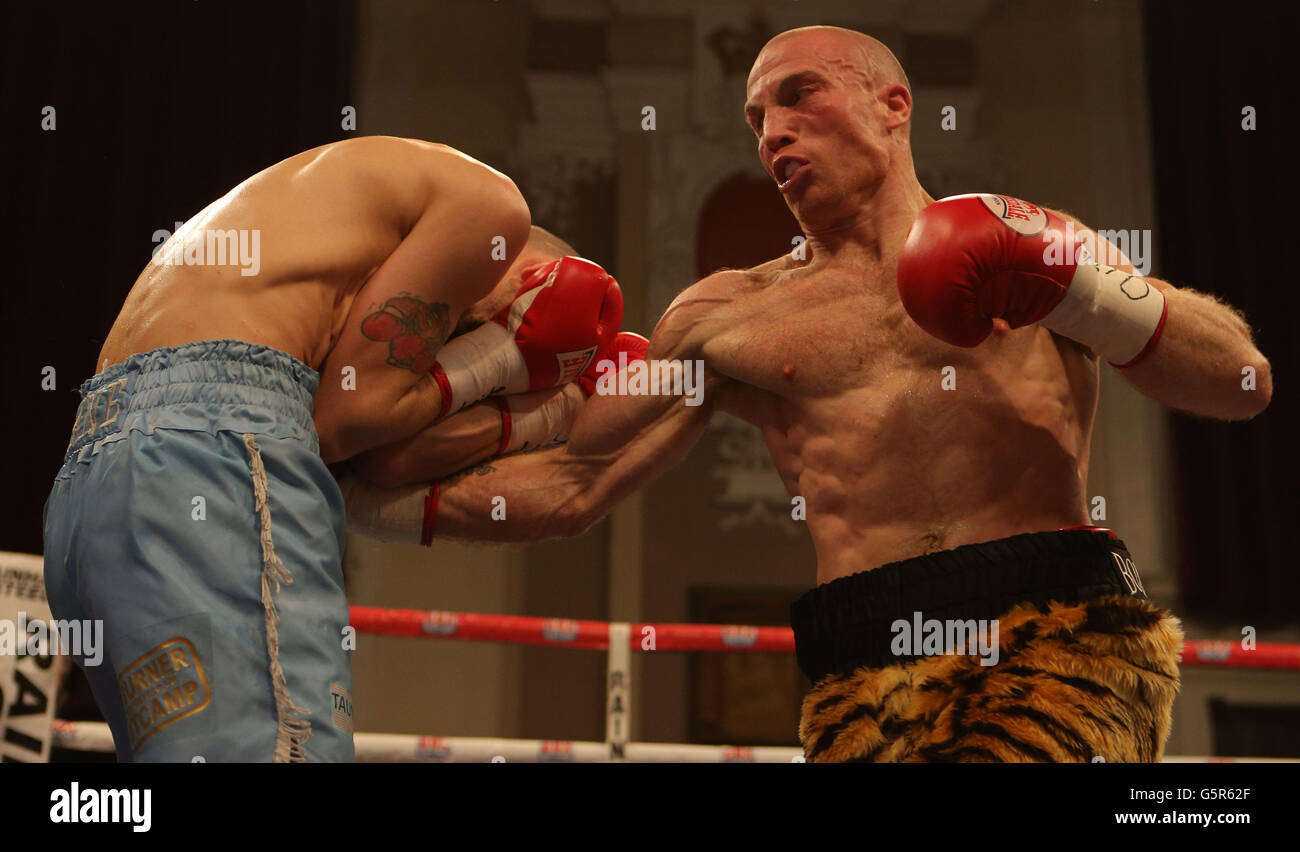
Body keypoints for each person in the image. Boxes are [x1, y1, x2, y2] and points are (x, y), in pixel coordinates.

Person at [343, 27, 1271, 762]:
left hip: (1056, 628)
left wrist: (1080, 285)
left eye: (798, 95)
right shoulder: (723, 315)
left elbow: (1241, 379)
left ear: (894, 104)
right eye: (756, 118)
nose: (772, 131)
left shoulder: (1029, 242)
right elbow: (577, 481)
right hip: (859, 652)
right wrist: (364, 503)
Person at [42, 135, 623, 761]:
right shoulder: (490, 208)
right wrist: (504, 356)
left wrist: (541, 410)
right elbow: (354, 419)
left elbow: (379, 459)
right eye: (471, 330)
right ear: (532, 275)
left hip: (96, 482)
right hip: (217, 449)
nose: (447, 347)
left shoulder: (311, 243)